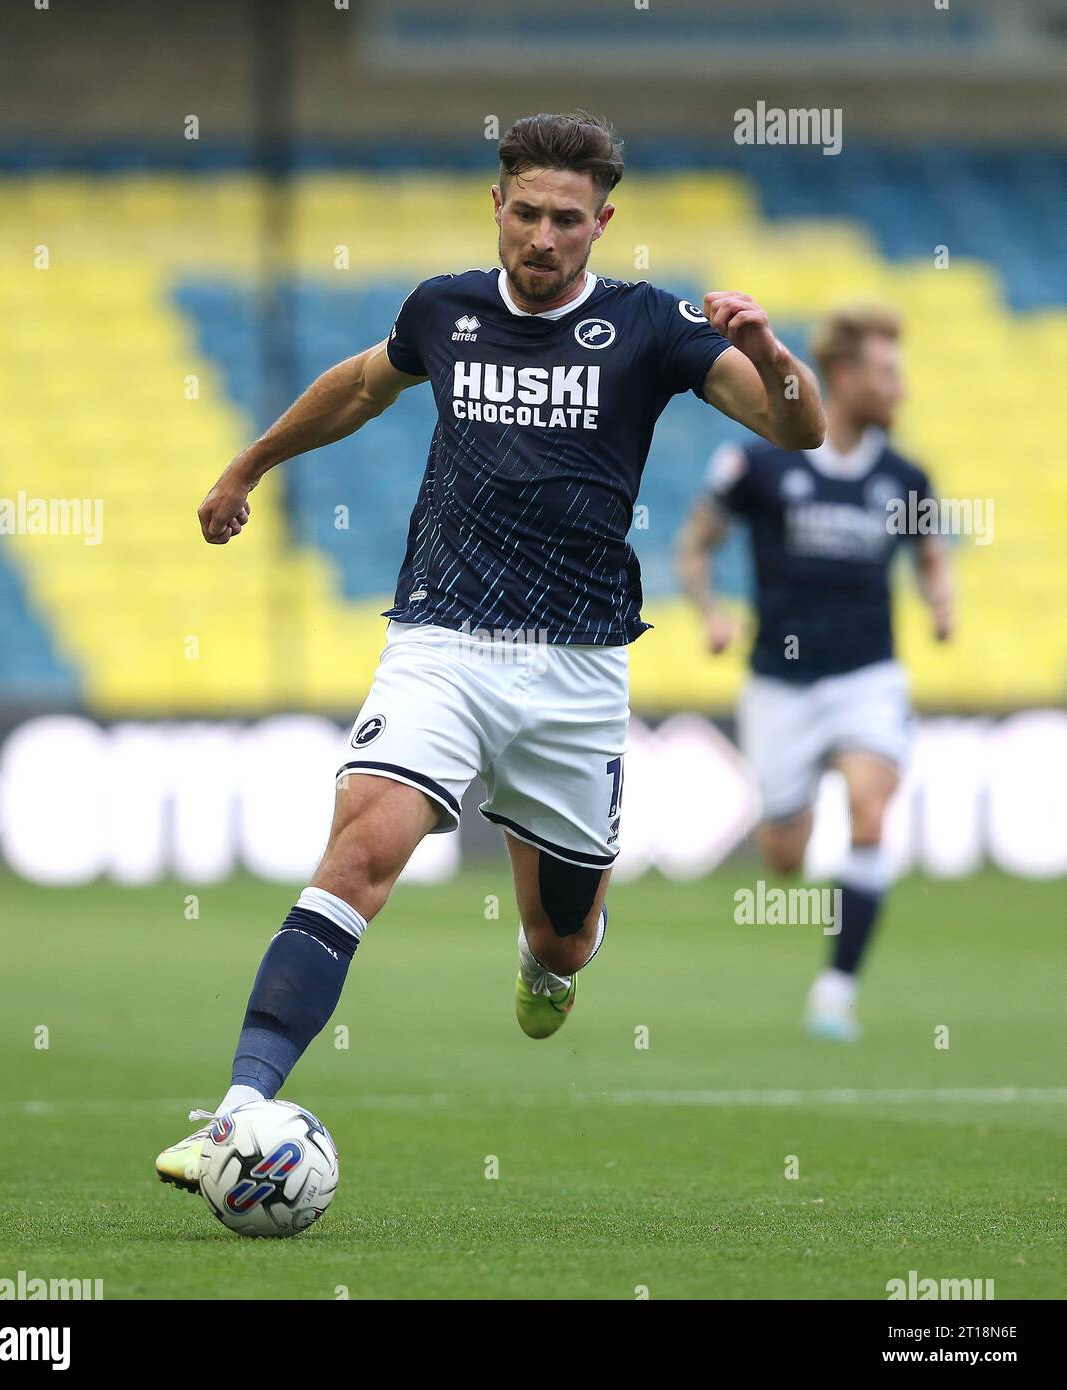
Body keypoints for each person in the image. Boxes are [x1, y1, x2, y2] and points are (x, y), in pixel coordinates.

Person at [157, 110, 824, 1191]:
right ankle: (238, 1107)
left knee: (562, 939)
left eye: (568, 219)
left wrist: (770, 352)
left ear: (602, 222)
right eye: (526, 214)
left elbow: (798, 431)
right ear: (496, 206)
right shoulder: (446, 308)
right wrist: (249, 465)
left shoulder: (650, 326)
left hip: (574, 671)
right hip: (441, 643)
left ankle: (546, 967)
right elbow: (364, 384)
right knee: (359, 855)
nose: (544, 237)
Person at [678, 305, 953, 1039]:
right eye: (887, 372)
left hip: (868, 676)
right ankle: (796, 821)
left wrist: (940, 601)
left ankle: (836, 991)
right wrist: (709, 611)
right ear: (843, 376)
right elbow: (697, 543)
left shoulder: (905, 477)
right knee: (786, 859)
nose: (899, 387)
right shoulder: (761, 462)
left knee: (870, 813)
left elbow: (929, 552)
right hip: (779, 683)